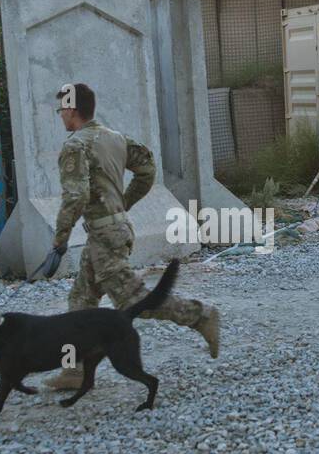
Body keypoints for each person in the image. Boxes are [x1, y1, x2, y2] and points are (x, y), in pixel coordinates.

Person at [44, 83, 220, 391]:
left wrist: (59, 238)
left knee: (136, 302)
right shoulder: (116, 138)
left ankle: (201, 315)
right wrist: (124, 203)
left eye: (61, 110)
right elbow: (148, 170)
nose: (61, 116)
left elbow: (76, 195)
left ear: (71, 109)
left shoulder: (76, 146)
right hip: (113, 231)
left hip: (104, 234)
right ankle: (74, 370)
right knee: (81, 299)